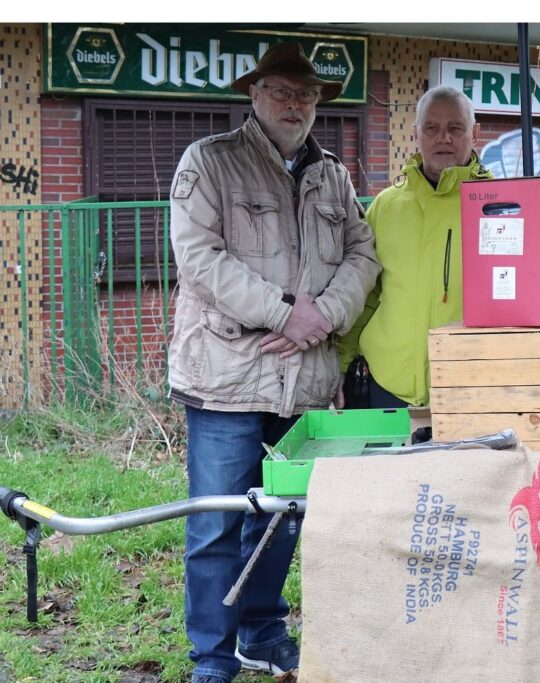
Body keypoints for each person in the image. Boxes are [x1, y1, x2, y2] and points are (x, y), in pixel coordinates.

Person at [167, 43, 380, 683]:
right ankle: (211, 658)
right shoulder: (211, 163)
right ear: (254, 95)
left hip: (305, 384)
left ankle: (261, 634)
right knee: (215, 524)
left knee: (281, 521)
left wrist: (326, 315)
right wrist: (286, 313)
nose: (295, 104)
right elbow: (198, 259)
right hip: (228, 377)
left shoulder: (334, 177)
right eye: (282, 91)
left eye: (306, 94)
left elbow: (362, 256)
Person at [339, 85, 491, 408]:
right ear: (415, 133)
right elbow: (365, 296)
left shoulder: (500, 205)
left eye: (455, 128)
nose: (443, 138)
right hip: (386, 386)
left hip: (470, 387)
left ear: (475, 133)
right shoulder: (386, 206)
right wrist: (341, 366)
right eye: (432, 128)